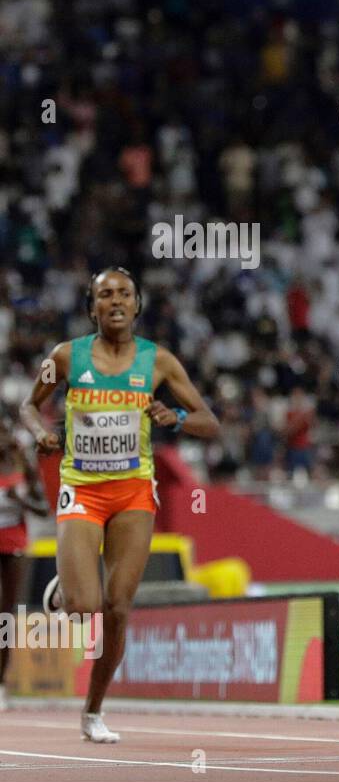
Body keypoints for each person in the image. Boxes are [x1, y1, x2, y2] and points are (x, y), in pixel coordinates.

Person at [19, 268, 220, 742]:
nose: (115, 301)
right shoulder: (66, 357)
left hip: (133, 492)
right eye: (104, 294)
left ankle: (93, 712)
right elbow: (29, 406)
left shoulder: (160, 362)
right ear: (92, 308)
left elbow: (210, 423)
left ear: (136, 305)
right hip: (82, 489)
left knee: (118, 607)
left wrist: (178, 417)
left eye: (124, 294)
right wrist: (41, 435)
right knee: (86, 604)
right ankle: (64, 595)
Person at [0, 420, 49, 711]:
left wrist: (21, 499)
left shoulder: (24, 466)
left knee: (6, 616)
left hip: (15, 545)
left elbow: (44, 508)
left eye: (5, 433)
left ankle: (1, 682)